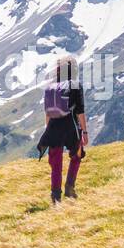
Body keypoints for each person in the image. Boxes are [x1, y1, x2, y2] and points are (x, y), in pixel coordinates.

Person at [36, 56, 87, 204]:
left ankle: (55, 196)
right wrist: (84, 132)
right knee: (77, 155)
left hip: (53, 127)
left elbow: (48, 112)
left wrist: (48, 131)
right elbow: (80, 111)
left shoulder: (50, 87)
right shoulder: (75, 85)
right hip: (70, 126)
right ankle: (70, 188)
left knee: (56, 163)